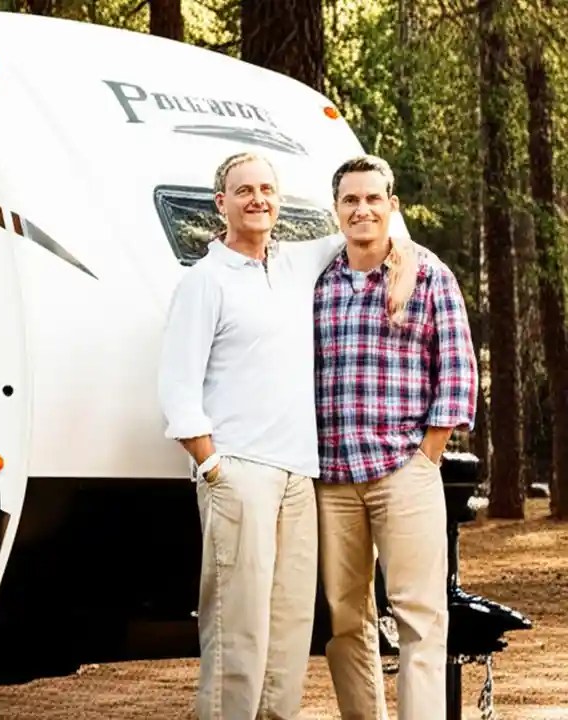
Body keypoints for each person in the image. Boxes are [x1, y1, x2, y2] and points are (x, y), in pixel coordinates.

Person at [158, 152, 355, 718]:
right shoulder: (204, 281)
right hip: (239, 470)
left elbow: (363, 226)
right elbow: (178, 387)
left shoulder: (295, 264)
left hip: (299, 473)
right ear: (221, 202)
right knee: (237, 628)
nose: (258, 199)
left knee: (291, 627)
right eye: (243, 190)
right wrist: (213, 467)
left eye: (267, 188)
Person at [313, 154, 477, 719]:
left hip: (403, 472)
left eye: (372, 198)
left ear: (392, 205)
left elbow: (456, 372)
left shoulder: (427, 273)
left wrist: (426, 456)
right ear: (336, 210)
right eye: (350, 200)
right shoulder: (320, 282)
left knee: (419, 615)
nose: (362, 209)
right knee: (345, 618)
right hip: (333, 478)